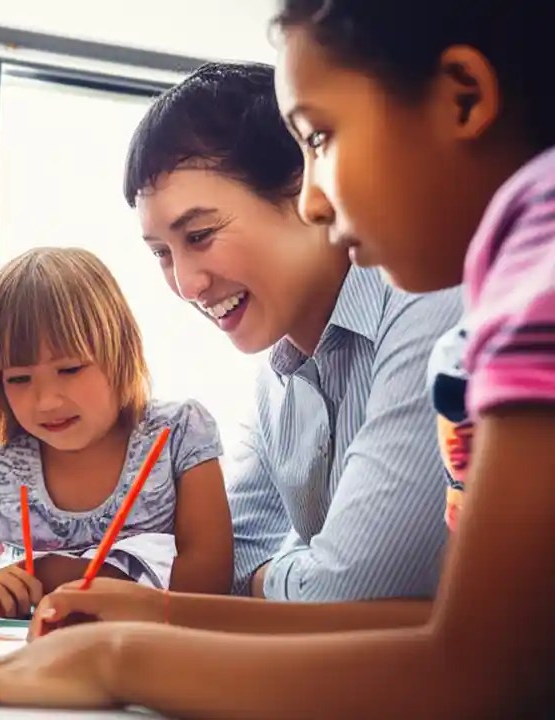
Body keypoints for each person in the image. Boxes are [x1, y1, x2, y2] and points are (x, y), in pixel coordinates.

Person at [0, 1, 555, 716]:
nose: (316, 198)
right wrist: (153, 620)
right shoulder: (287, 374)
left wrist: (127, 653)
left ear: (465, 98)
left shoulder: (525, 265)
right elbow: (441, 629)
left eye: (320, 140)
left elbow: (474, 660)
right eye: (163, 254)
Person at [23, 62, 462, 636]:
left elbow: (352, 587)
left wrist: (274, 583)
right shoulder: (277, 380)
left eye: (199, 236)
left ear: (307, 189)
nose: (185, 284)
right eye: (161, 252)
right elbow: (227, 569)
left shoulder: (428, 307)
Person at [0, 247, 231, 618]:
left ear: (120, 351)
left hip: (150, 657)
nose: (47, 401)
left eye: (70, 370)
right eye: (18, 378)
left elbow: (210, 580)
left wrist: (79, 577)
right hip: (29, 661)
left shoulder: (177, 433)